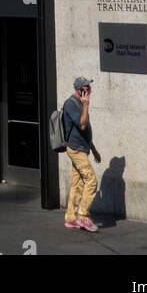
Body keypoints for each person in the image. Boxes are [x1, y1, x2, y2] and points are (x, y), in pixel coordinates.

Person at [62, 76, 102, 232]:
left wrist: (94, 149)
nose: (90, 90)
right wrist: (86, 105)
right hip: (76, 149)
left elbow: (84, 132)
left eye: (89, 87)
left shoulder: (80, 103)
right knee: (91, 180)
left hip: (82, 148)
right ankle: (83, 216)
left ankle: (71, 218)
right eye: (86, 88)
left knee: (77, 184)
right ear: (79, 90)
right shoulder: (71, 104)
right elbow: (83, 125)